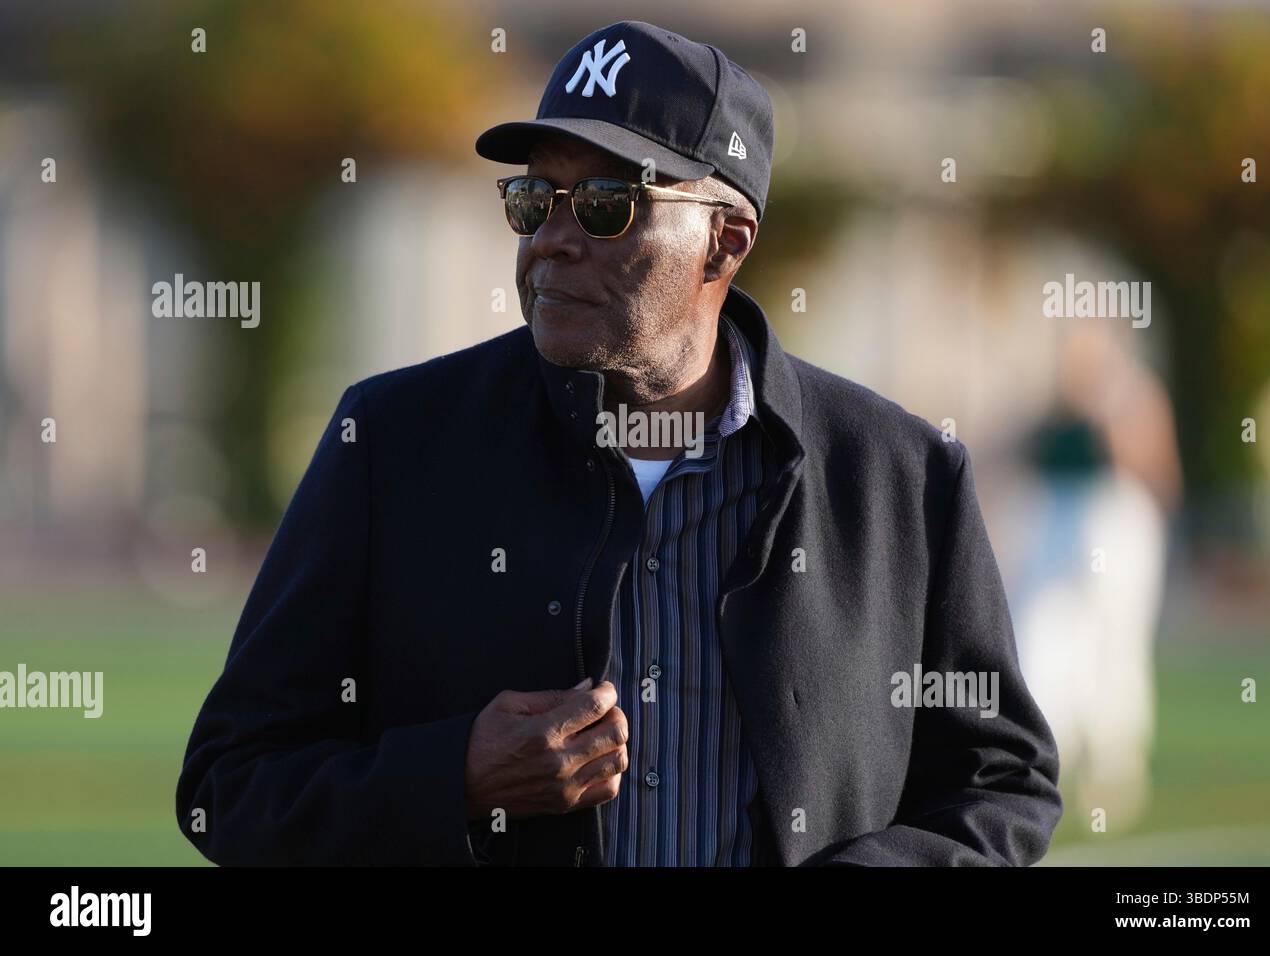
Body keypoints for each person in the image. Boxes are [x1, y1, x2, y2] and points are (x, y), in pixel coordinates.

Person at [176, 19, 1062, 866]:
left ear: (726, 240)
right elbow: (229, 786)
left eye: (605, 205)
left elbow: (1001, 782)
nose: (553, 240)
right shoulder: (393, 442)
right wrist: (456, 777)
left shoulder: (900, 477)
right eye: (533, 199)